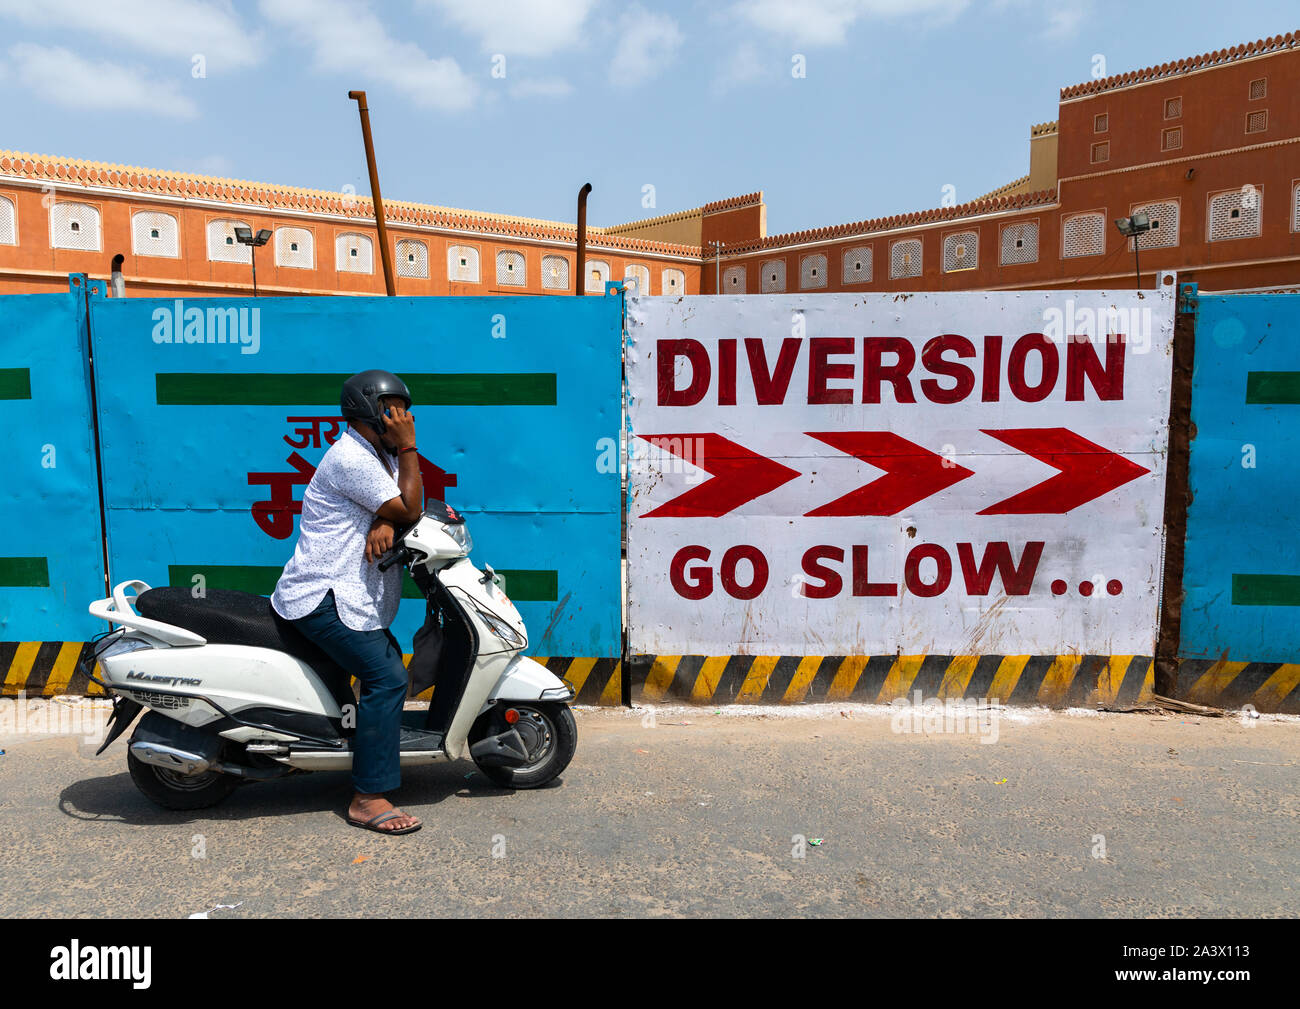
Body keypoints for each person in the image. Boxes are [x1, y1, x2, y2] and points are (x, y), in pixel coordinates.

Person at [271, 369, 425, 835]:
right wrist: (408, 449)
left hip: (343, 594)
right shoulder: (352, 458)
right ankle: (368, 797)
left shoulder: (375, 457)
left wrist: (387, 519)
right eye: (393, 409)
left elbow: (403, 502)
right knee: (387, 675)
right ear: (370, 411)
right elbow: (411, 505)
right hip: (323, 596)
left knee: (387, 664)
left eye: (404, 409)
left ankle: (354, 751)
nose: (404, 417)